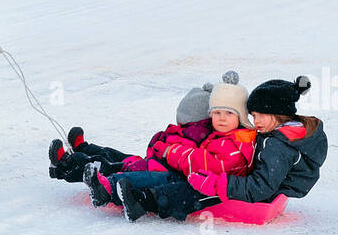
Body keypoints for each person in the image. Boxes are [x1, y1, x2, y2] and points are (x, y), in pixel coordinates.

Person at [118, 75, 327, 223]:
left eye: (261, 115)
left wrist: (218, 184)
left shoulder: (279, 145)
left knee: (198, 192)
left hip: (262, 197)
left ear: (279, 114)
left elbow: (259, 188)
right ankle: (137, 192)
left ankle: (144, 202)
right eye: (253, 116)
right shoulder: (286, 133)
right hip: (269, 191)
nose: (257, 122)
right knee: (194, 182)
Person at [86, 80, 255, 221]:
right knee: (157, 176)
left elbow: (206, 164)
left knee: (162, 179)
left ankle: (114, 188)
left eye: (229, 113)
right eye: (217, 112)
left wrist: (173, 152)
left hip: (207, 186)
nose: (222, 118)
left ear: (240, 116)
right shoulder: (223, 136)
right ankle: (110, 186)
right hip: (198, 180)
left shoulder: (237, 143)